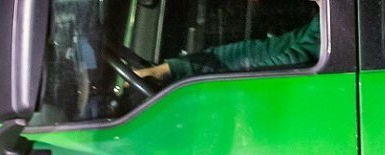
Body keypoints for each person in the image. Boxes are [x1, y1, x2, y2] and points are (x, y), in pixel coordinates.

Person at [137, 4, 320, 82]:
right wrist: (169, 69)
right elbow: (262, 52)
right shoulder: (322, 22)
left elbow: (297, 59)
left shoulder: (335, 17)